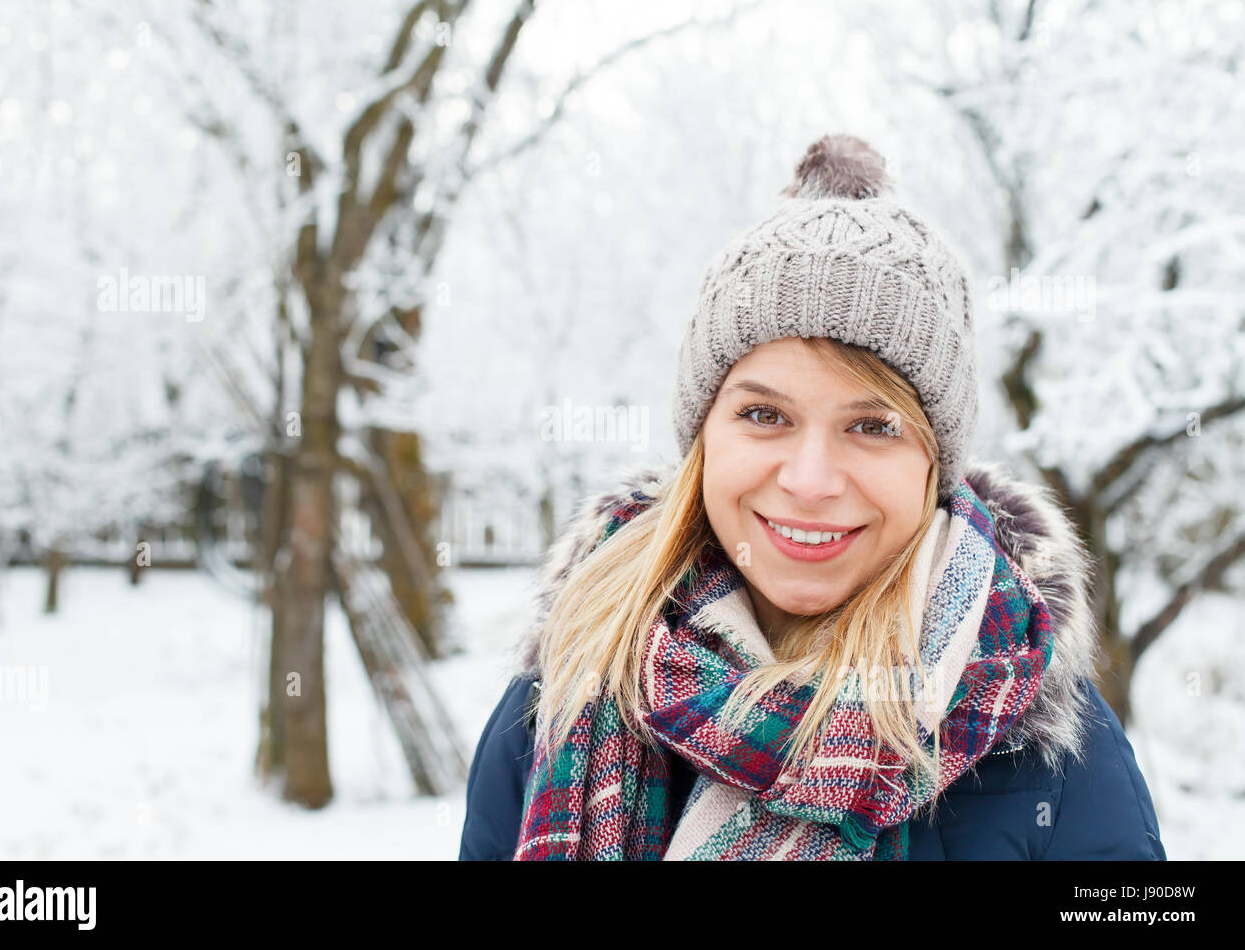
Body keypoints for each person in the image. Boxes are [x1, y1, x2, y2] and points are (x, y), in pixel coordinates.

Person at [459, 134, 1167, 861]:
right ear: (703, 438)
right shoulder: (564, 695)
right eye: (764, 415)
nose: (810, 479)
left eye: (872, 426)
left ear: (936, 466)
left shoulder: (1048, 759)